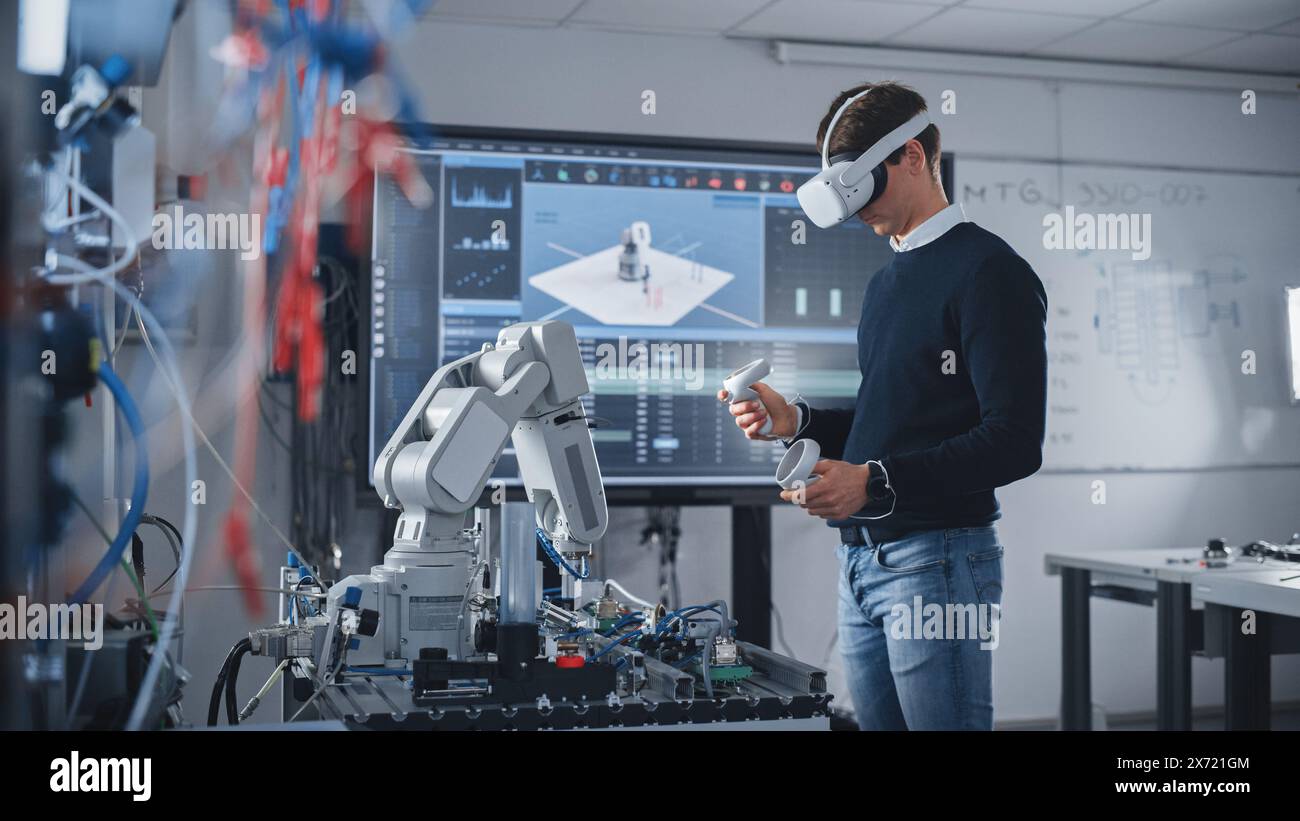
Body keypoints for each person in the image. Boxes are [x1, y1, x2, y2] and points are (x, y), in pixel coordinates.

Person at [720, 82, 1047, 730]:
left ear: (915, 158)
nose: (856, 211)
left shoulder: (990, 272)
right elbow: (892, 417)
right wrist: (799, 421)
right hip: (862, 563)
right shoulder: (884, 284)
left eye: (866, 185)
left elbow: (1015, 438)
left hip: (940, 560)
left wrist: (874, 481)